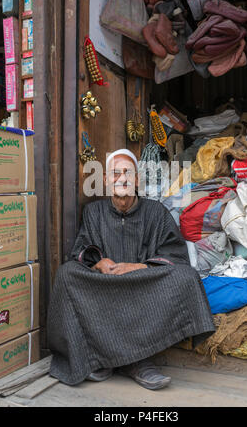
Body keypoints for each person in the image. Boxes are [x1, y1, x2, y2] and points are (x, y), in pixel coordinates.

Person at [47, 149, 215, 390]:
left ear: (137, 180)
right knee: (66, 274)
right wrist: (99, 262)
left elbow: (176, 254)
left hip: (143, 286)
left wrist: (139, 267)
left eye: (128, 173)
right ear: (105, 179)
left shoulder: (156, 212)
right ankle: (103, 356)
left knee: (186, 277)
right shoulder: (94, 212)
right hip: (106, 286)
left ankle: (137, 360)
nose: (122, 178)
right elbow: (81, 250)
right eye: (115, 173)